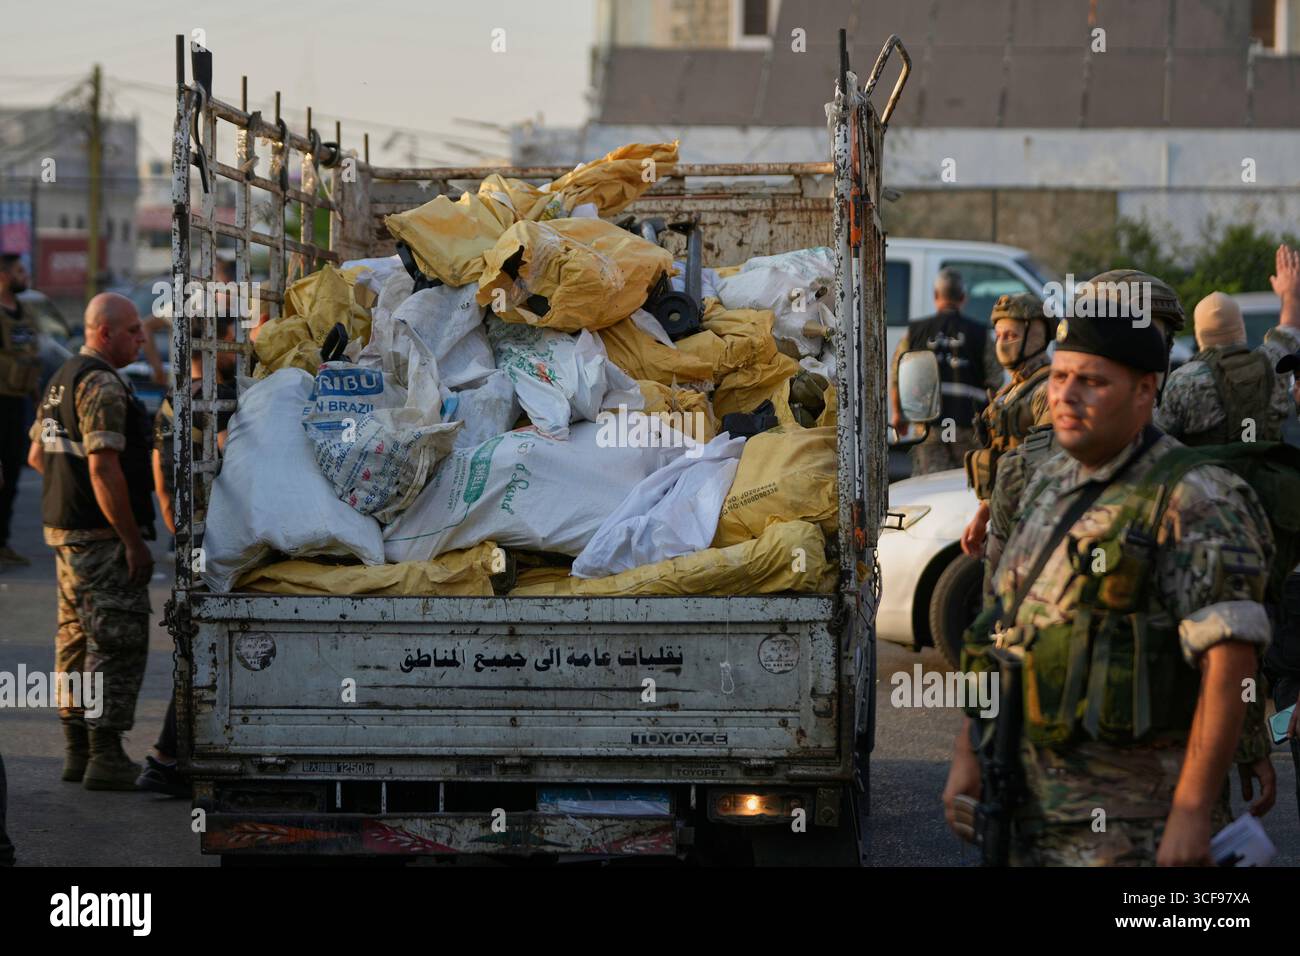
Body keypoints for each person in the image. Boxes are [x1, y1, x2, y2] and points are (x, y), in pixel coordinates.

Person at [943, 306, 1276, 866]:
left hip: (1141, 830)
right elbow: (994, 632)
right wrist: (967, 752)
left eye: (1092, 381)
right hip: (1031, 815)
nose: (1066, 395)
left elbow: (1230, 663)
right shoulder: (1048, 482)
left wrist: (1193, 809)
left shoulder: (1196, 499)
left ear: (1146, 391)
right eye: (1060, 376)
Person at [25, 292, 155, 791]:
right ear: (104, 332)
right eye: (133, 332)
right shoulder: (101, 384)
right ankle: (105, 754)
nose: (142, 339)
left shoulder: (62, 379)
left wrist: (73, 490)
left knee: (75, 641)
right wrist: (131, 540)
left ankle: (76, 752)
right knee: (116, 641)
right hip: (101, 538)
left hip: (66, 534)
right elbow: (102, 466)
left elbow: (39, 454)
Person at [137, 316, 236, 797]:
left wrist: (176, 525)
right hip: (222, 538)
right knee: (205, 646)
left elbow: (160, 472)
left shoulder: (174, 398)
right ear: (225, 340)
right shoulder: (228, 397)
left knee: (194, 640)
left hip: (189, 535)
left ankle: (174, 756)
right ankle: (167, 755)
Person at [1155, 251, 1300, 445]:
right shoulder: (1273, 363)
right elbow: (1289, 330)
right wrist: (1289, 292)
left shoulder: (1184, 380)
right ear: (1241, 328)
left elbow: (1160, 439)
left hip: (1209, 475)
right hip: (1266, 473)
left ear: (1199, 333)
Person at [959, 292, 1054, 569]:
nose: (1001, 343)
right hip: (1006, 520)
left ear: (1035, 336)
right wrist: (983, 515)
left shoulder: (1047, 390)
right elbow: (1001, 453)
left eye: (1010, 335)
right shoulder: (1010, 390)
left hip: (1033, 524)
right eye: (998, 335)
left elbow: (1045, 464)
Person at [890, 268, 1003, 475]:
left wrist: (899, 415)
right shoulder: (980, 334)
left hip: (928, 428)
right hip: (969, 426)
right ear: (963, 298)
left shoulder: (915, 332)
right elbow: (994, 381)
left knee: (930, 485)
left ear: (935, 296)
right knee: (967, 485)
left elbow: (898, 375)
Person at [0, 253, 42, 569]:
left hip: (18, 404)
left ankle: (3, 542)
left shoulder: (25, 312)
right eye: (18, 271)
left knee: (12, 476)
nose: (24, 275)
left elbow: (33, 358)